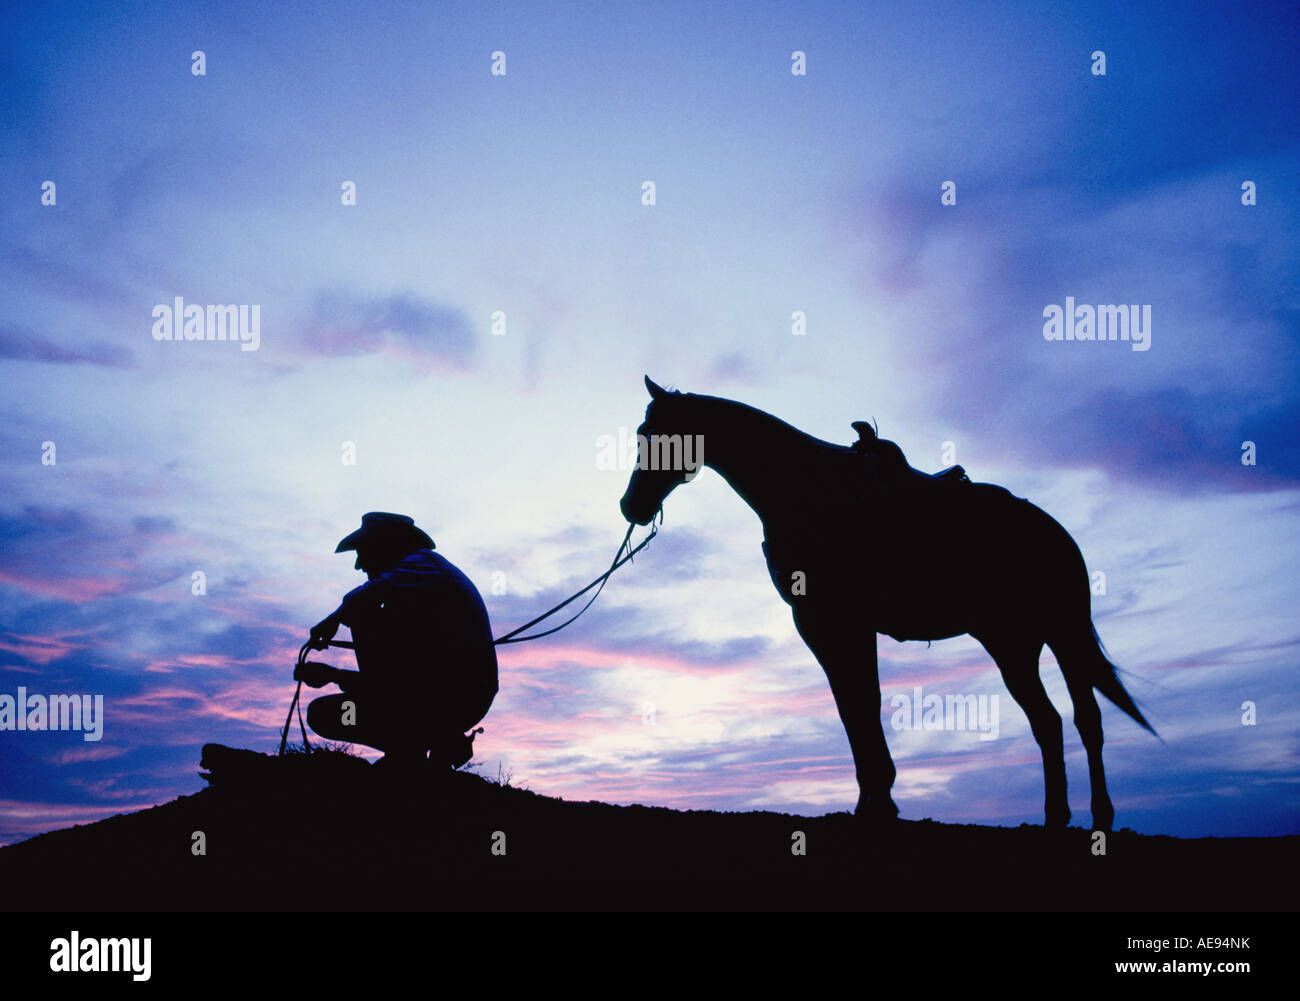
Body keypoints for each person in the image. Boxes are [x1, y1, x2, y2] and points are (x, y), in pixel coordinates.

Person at [294, 512, 498, 771]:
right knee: (324, 713)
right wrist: (334, 675)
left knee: (327, 714)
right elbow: (397, 681)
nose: (358, 565)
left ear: (384, 547)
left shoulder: (424, 565)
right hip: (442, 696)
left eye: (362, 552)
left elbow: (393, 682)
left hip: (451, 696)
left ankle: (409, 749)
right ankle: (414, 745)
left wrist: (335, 619)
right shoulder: (415, 585)